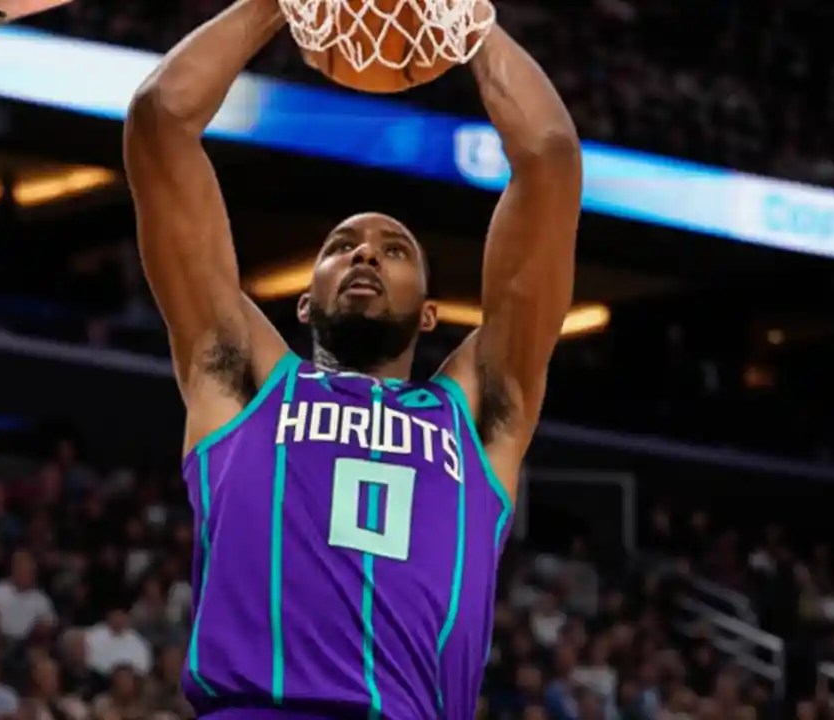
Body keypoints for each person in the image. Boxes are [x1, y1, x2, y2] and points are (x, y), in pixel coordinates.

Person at [123, 0, 581, 717]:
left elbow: (549, 158)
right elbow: (160, 120)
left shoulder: (482, 411)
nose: (365, 251)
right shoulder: (244, 380)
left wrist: (464, 23)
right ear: (303, 302)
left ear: (430, 312)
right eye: (341, 247)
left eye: (394, 250)